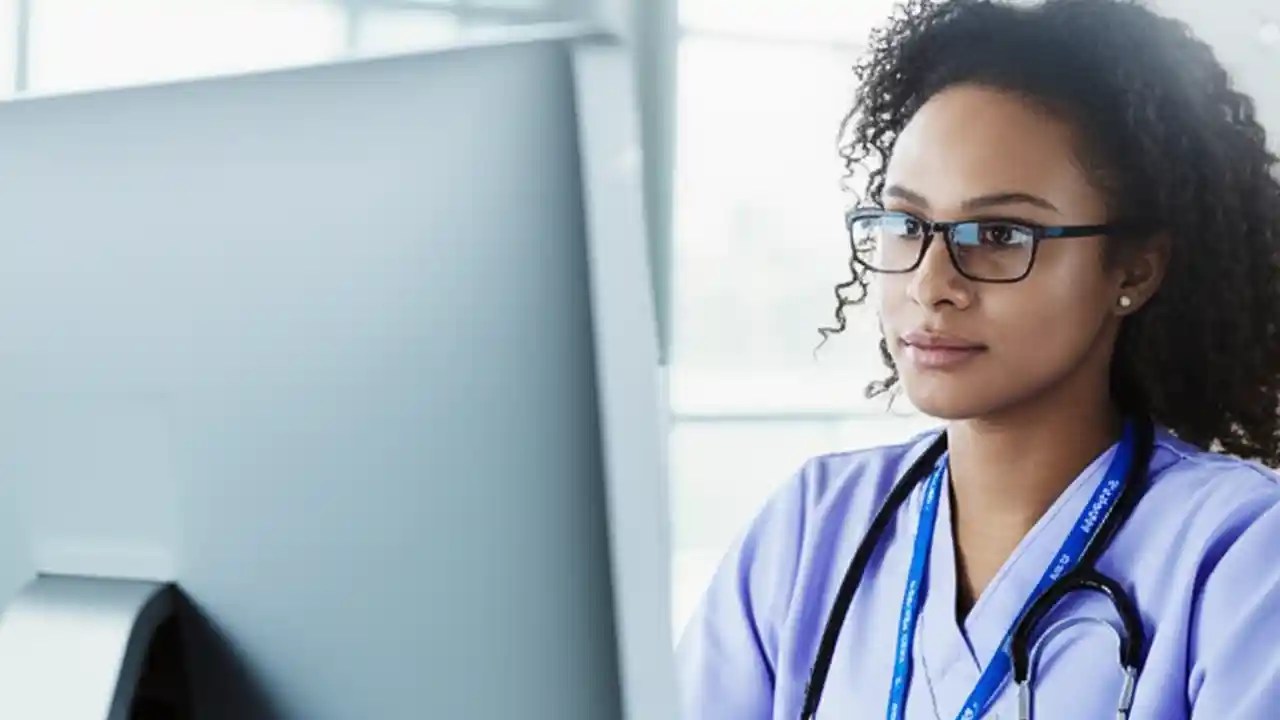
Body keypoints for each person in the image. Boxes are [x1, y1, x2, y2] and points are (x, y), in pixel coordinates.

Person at [676, 1, 1280, 718]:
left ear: (1133, 271)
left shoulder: (1240, 555)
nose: (932, 283)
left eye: (998, 233)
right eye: (906, 225)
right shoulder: (810, 531)